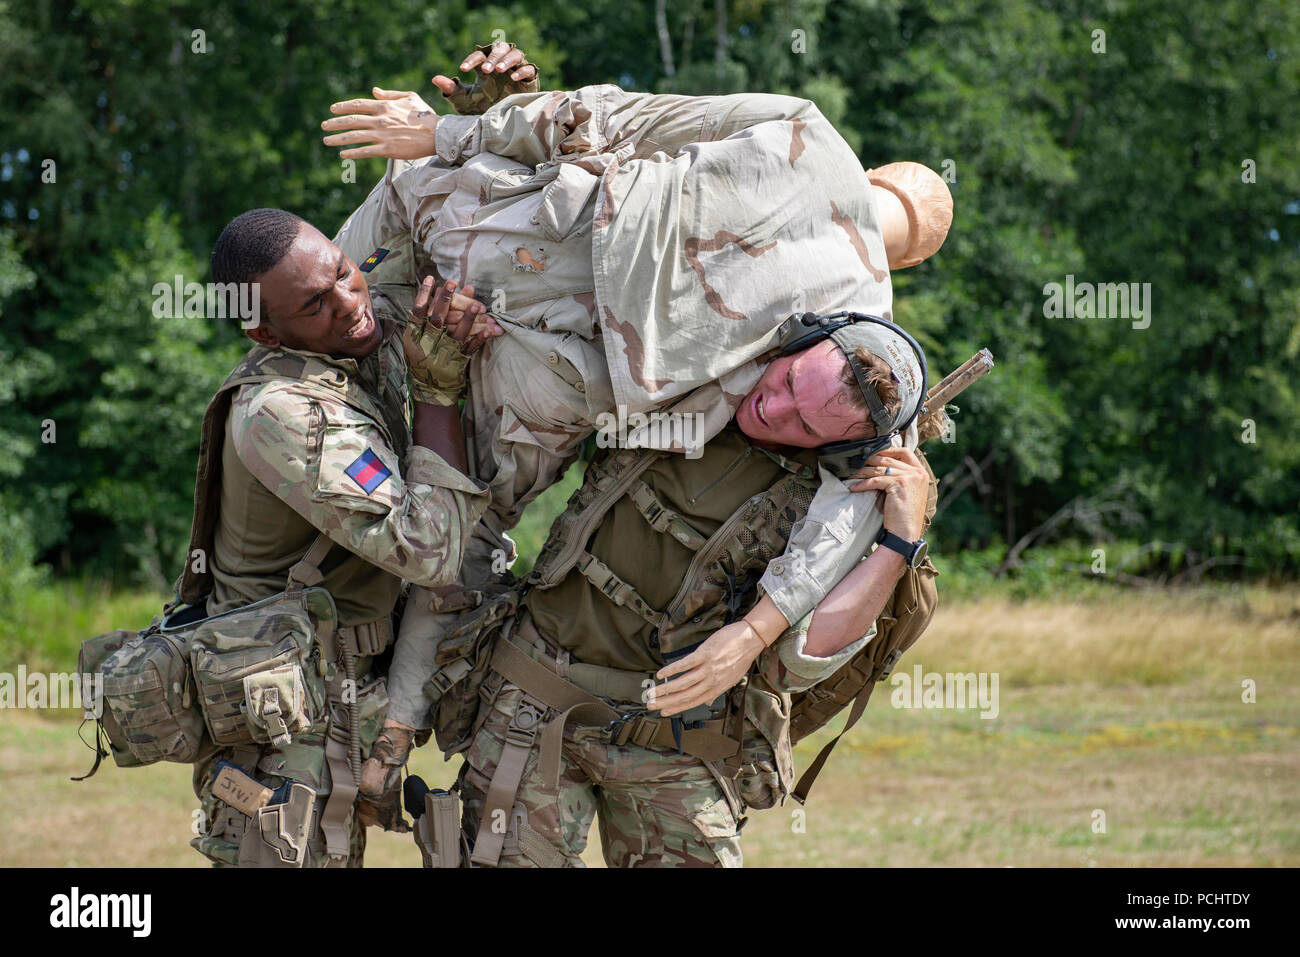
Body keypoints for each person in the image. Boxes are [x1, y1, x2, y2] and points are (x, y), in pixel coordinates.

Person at [316, 66, 953, 816]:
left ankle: (284, 339)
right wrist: (758, 631)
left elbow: (607, 115)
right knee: (465, 525)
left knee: (374, 237)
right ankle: (389, 739)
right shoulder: (864, 319)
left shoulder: (804, 136)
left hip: (537, 237)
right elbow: (846, 512)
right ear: (908, 261)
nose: (777, 405)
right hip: (570, 367)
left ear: (876, 176)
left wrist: (450, 135)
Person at [184, 207, 491, 867]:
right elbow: (430, 550)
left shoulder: (347, 336)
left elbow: (419, 208)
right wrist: (439, 395)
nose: (351, 305)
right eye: (316, 304)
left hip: (342, 702)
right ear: (266, 330)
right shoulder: (281, 414)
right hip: (281, 737)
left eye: (346, 274)